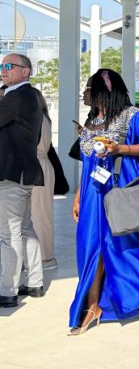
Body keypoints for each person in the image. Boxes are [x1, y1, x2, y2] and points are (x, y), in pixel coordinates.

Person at [68, 69, 139, 334]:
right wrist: (78, 196)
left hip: (119, 192)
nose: (85, 93)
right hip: (91, 196)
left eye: (89, 88)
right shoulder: (90, 122)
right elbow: (87, 166)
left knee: (124, 248)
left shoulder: (133, 116)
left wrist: (120, 149)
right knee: (90, 249)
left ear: (103, 91)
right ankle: (92, 304)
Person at [0, 54, 44, 307]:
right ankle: (35, 282)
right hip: (23, 173)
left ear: (26, 71)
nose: (4, 70)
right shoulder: (28, 95)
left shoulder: (17, 96)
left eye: (9, 66)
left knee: (9, 233)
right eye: (2, 66)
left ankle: (8, 289)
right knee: (25, 229)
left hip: (12, 173)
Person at [31, 91, 56, 270]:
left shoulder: (36, 119)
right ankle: (42, 256)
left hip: (37, 166)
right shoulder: (44, 118)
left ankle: (45, 257)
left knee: (38, 214)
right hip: (42, 165)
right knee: (41, 214)